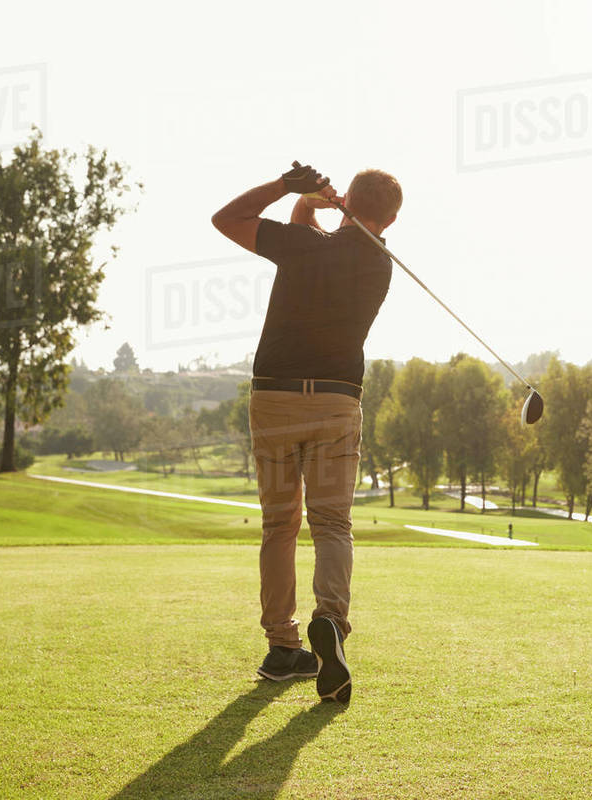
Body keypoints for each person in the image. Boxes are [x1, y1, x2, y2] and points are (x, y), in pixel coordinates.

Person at [211, 162, 402, 704]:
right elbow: (321, 243)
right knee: (331, 524)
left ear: (346, 204)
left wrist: (289, 190)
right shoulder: (379, 263)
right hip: (336, 402)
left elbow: (227, 219)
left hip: (274, 397)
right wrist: (312, 206)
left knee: (279, 525)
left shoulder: (301, 246)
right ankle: (331, 623)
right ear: (391, 220)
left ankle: (282, 647)